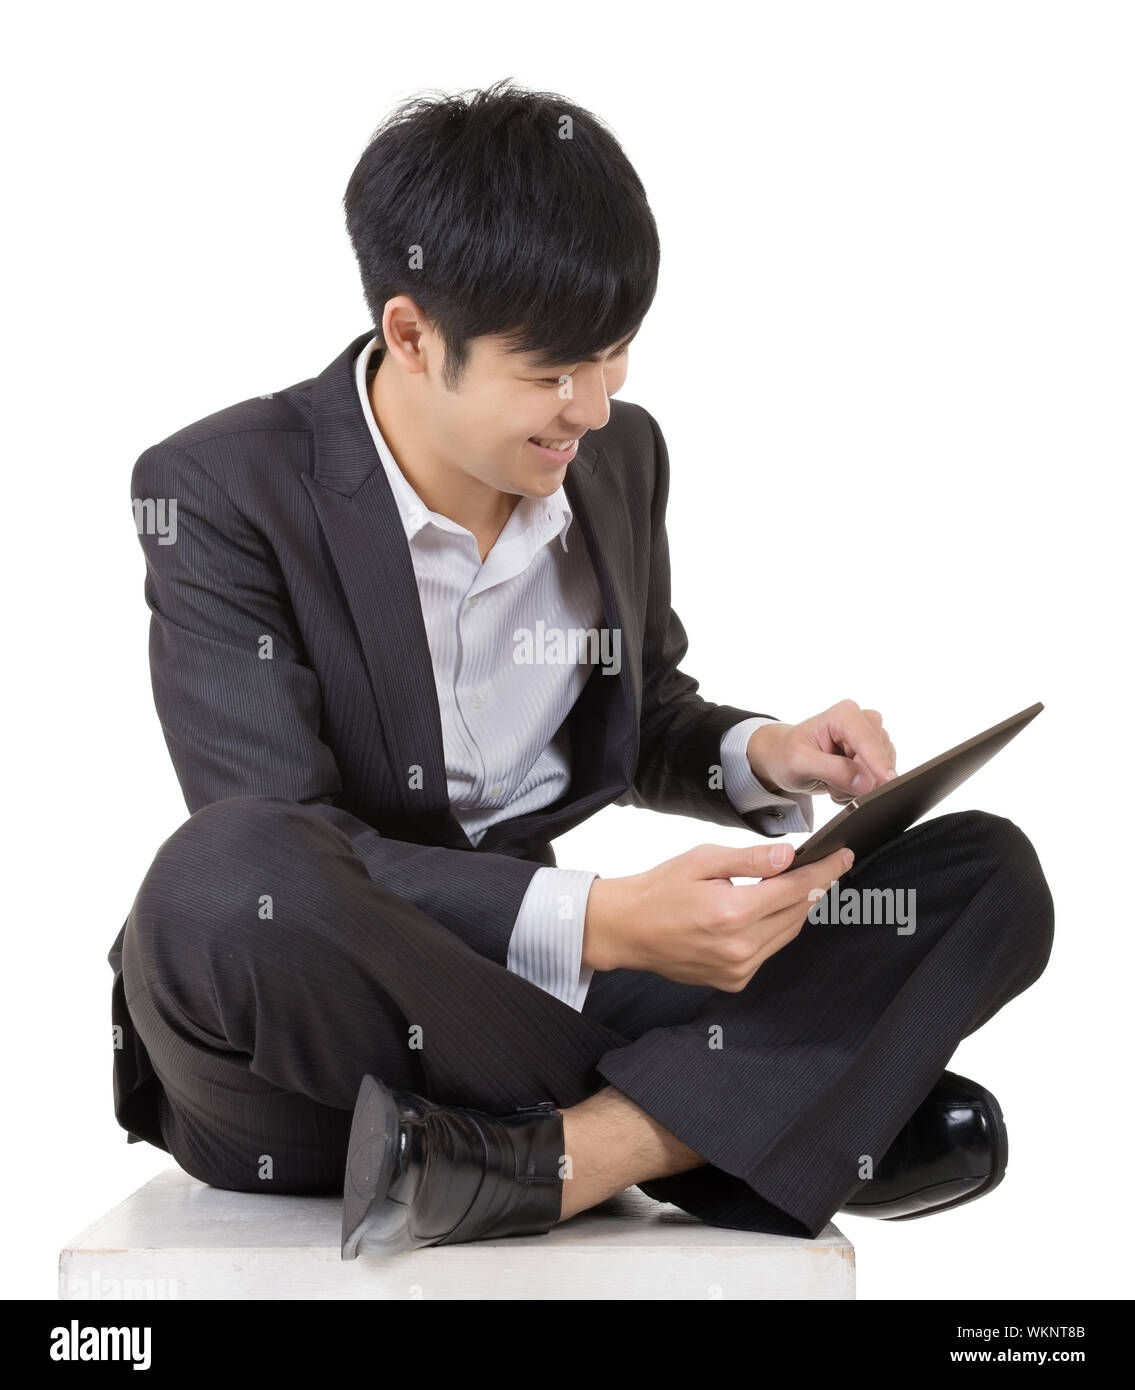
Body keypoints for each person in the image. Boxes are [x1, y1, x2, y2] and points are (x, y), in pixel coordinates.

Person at [110, 79, 1054, 1262]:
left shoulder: (617, 458)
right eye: (554, 372)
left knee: (986, 875)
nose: (593, 408)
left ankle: (557, 1160)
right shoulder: (216, 491)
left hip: (532, 1014)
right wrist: (603, 924)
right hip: (322, 1018)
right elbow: (288, 834)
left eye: (614, 358)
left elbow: (640, 707)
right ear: (412, 334)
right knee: (215, 878)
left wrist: (758, 752)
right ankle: (735, 1115)